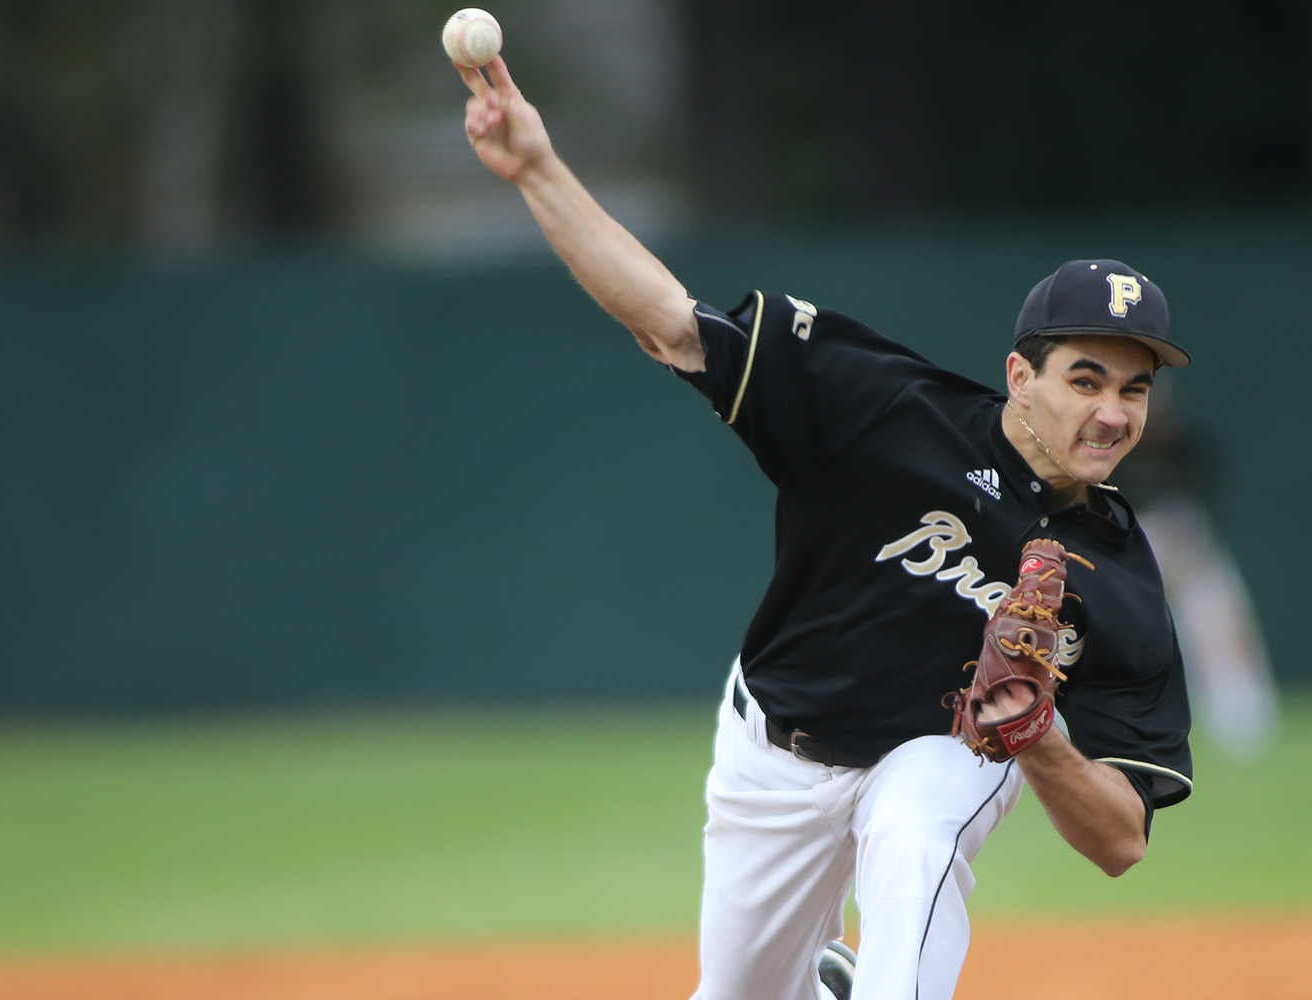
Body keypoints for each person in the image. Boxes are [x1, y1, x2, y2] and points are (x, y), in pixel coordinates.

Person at [455, 57, 1192, 1000]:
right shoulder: (886, 410)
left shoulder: (1119, 577)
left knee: (918, 830)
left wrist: (1039, 735)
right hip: (776, 750)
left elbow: (1123, 840)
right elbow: (671, 326)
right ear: (1021, 378)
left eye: (1134, 390)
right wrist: (537, 171)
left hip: (941, 755)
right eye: (1086, 380)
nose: (1112, 414)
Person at [1114, 391, 1280, 758]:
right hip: (1133, 541)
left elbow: (1203, 493)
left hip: (1186, 538)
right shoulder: (1113, 446)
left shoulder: (1187, 441)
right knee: (1112, 629)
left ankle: (1241, 715)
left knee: (1219, 619)